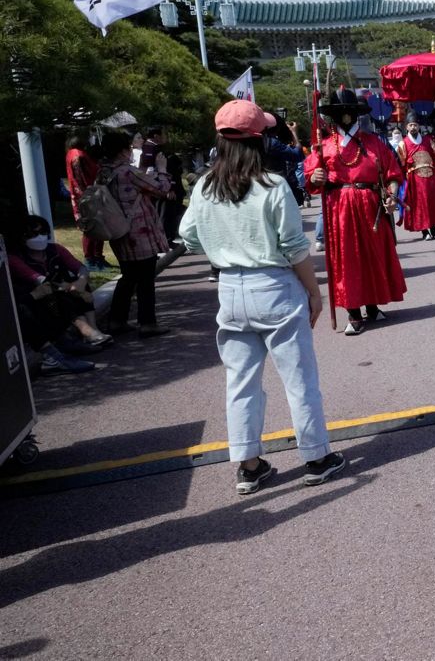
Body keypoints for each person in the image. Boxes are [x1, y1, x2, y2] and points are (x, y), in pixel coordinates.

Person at [180, 99, 345, 495]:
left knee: (240, 380)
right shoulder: (273, 186)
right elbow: (293, 247)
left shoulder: (205, 186)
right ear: (261, 140)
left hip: (229, 289)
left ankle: (248, 464)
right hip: (273, 285)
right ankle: (316, 456)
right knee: (299, 378)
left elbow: (188, 237)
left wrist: (223, 244)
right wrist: (314, 293)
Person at [304, 88, 407, 337]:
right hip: (340, 205)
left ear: (358, 114)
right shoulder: (323, 146)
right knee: (348, 257)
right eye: (341, 113)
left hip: (371, 203)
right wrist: (314, 176)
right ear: (333, 117)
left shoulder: (373, 143)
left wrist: (392, 195)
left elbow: (393, 173)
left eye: (351, 111)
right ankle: (353, 311)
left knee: (373, 255)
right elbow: (310, 179)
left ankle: (372, 306)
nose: (346, 116)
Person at [99, 131, 171, 337]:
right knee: (146, 278)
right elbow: (161, 188)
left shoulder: (104, 172)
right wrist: (162, 169)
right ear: (123, 150)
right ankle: (147, 323)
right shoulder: (127, 172)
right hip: (139, 231)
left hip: (117, 230)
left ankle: (117, 320)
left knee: (128, 277)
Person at [7, 214, 112, 352]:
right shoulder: (15, 258)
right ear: (22, 237)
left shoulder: (55, 249)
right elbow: (40, 280)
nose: (40, 237)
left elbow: (80, 268)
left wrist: (80, 281)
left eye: (43, 232)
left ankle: (93, 329)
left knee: (80, 283)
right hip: (38, 298)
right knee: (59, 292)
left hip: (61, 289)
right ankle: (85, 330)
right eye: (33, 234)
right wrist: (76, 289)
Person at [397, 115, 435, 239]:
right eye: (410, 125)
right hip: (415, 178)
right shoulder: (403, 143)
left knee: (433, 201)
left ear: (419, 126)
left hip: (430, 176)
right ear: (406, 127)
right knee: (420, 204)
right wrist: (407, 165)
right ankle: (424, 230)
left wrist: (434, 170)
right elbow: (400, 163)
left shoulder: (428, 140)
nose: (413, 127)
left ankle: (434, 227)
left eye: (415, 125)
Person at [65, 132, 110, 271]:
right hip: (87, 195)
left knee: (97, 225)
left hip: (86, 194)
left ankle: (97, 257)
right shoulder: (78, 155)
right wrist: (88, 192)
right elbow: (80, 177)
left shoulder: (72, 153)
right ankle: (90, 258)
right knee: (91, 227)